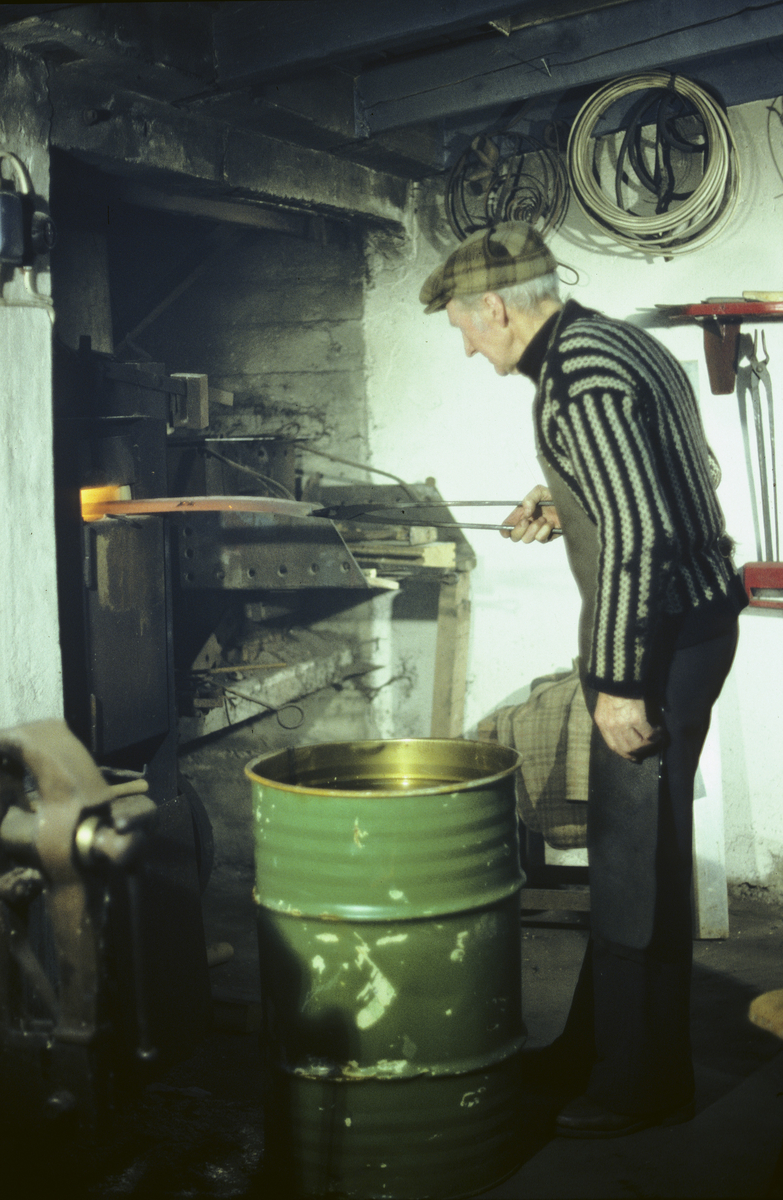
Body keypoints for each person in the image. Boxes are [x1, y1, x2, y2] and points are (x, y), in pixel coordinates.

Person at [419, 222, 748, 1138]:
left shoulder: (578, 379)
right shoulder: (616, 340)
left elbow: (640, 535)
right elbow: (680, 477)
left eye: (462, 324)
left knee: (636, 870)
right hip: (691, 622)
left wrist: (615, 683)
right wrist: (561, 501)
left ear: (494, 306)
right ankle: (591, 1051)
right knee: (621, 857)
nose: (465, 342)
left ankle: (642, 1088)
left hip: (661, 643)